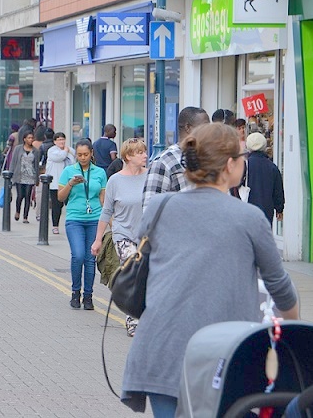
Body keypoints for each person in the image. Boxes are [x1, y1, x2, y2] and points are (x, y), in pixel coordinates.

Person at [120, 123, 299, 416]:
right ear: (230, 165)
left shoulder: (160, 207)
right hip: (224, 357)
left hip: (161, 350)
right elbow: (280, 288)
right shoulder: (249, 217)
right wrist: (294, 332)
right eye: (241, 156)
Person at [90, 138, 147, 336]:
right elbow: (106, 212)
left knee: (147, 277)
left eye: (145, 151)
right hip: (123, 234)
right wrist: (98, 240)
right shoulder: (115, 180)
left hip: (145, 236)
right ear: (128, 156)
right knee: (135, 273)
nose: (145, 155)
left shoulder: (150, 177)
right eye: (140, 152)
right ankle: (133, 320)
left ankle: (143, 315)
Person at [57, 138, 107, 311]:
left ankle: (88, 296)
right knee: (78, 255)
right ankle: (75, 292)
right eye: (79, 155)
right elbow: (60, 197)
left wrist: (110, 222)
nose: (83, 158)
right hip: (75, 218)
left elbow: (103, 199)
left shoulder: (100, 172)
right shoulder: (69, 171)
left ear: (92, 153)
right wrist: (71, 183)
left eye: (86, 154)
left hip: (94, 219)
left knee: (90, 258)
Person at [142, 106, 209, 210]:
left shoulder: (210, 157)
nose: (209, 131)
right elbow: (150, 208)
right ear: (188, 128)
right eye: (205, 126)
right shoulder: (164, 161)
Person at [241, 132, 284, 225]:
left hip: (247, 208)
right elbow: (278, 190)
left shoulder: (245, 165)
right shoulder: (272, 167)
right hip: (266, 210)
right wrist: (279, 209)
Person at [45, 133, 75, 235]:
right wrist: (66, 151)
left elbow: (74, 157)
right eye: (59, 140)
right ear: (54, 141)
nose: (61, 142)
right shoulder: (52, 151)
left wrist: (68, 150)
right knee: (56, 205)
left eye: (63, 139)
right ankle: (55, 226)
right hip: (55, 183)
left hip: (68, 183)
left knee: (69, 204)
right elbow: (60, 157)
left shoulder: (68, 150)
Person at [10, 131, 40, 223]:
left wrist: (37, 178)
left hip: (30, 176)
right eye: (29, 138)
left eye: (32, 138)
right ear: (24, 139)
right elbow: (13, 161)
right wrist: (10, 174)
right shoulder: (18, 149)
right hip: (19, 175)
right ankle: (17, 211)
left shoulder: (36, 151)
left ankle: (25, 217)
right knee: (20, 196)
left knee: (28, 196)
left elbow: (36, 165)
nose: (31, 140)